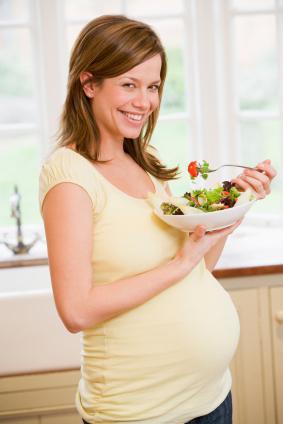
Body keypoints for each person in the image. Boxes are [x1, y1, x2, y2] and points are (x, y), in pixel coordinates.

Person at [39, 14, 276, 424]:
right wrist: (181, 263)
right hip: (141, 413)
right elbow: (76, 311)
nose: (144, 102)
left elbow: (195, 268)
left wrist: (231, 201)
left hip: (210, 398)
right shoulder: (69, 176)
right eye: (128, 84)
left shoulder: (143, 164)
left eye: (152, 87)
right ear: (89, 83)